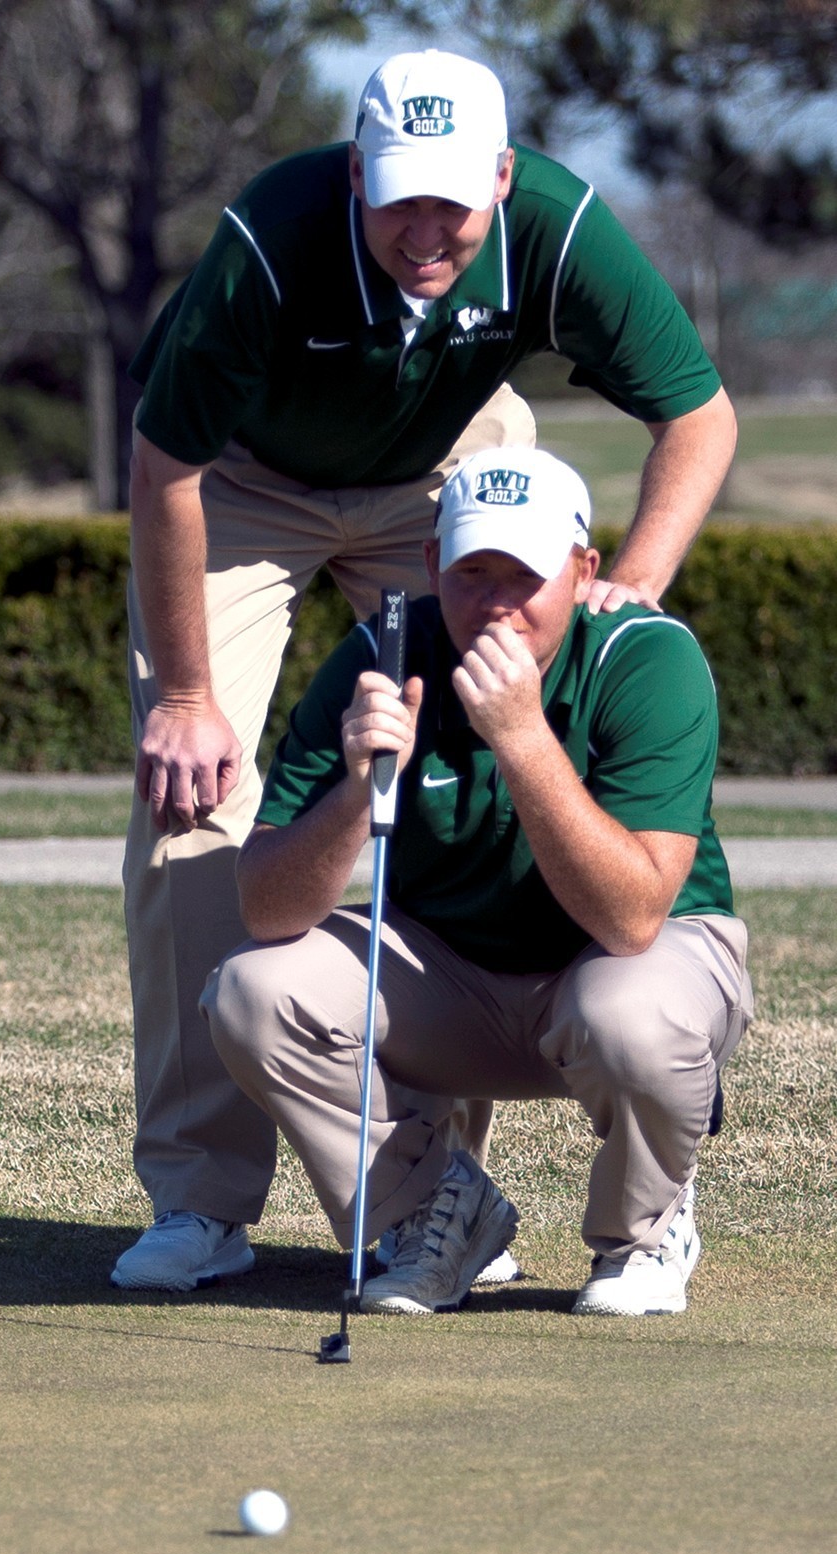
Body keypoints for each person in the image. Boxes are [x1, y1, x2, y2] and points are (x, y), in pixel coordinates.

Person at [112, 47, 738, 1291]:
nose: (426, 230)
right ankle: (204, 1200)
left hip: (447, 478)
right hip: (242, 485)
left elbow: (698, 413)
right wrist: (186, 698)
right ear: (356, 175)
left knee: (475, 744)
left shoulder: (561, 229)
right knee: (194, 812)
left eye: (454, 201)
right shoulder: (273, 238)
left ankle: (433, 1200)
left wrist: (637, 590)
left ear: (504, 178)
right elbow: (163, 466)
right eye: (398, 197)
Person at [199, 446, 752, 1316]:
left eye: (524, 575)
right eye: (471, 573)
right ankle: (438, 1214)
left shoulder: (647, 659)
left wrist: (523, 738)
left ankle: (646, 1230)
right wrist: (354, 790)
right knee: (251, 991)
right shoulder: (382, 652)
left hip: (625, 971)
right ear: (431, 566)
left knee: (627, 1014)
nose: (496, 602)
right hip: (454, 981)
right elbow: (265, 906)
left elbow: (635, 916)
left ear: (582, 570)